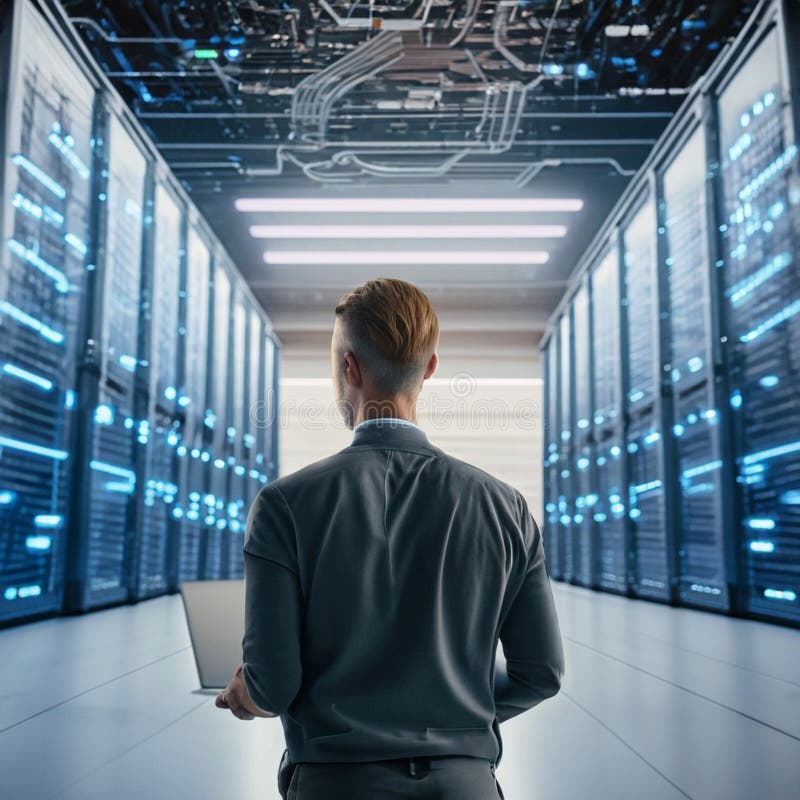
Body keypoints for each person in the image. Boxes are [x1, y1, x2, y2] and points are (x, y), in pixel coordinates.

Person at [215, 278, 565, 799]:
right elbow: (541, 673)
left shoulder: (284, 504)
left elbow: (275, 683)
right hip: (464, 785)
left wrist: (248, 692)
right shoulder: (505, 506)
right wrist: (450, 709)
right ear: (429, 368)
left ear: (348, 369)